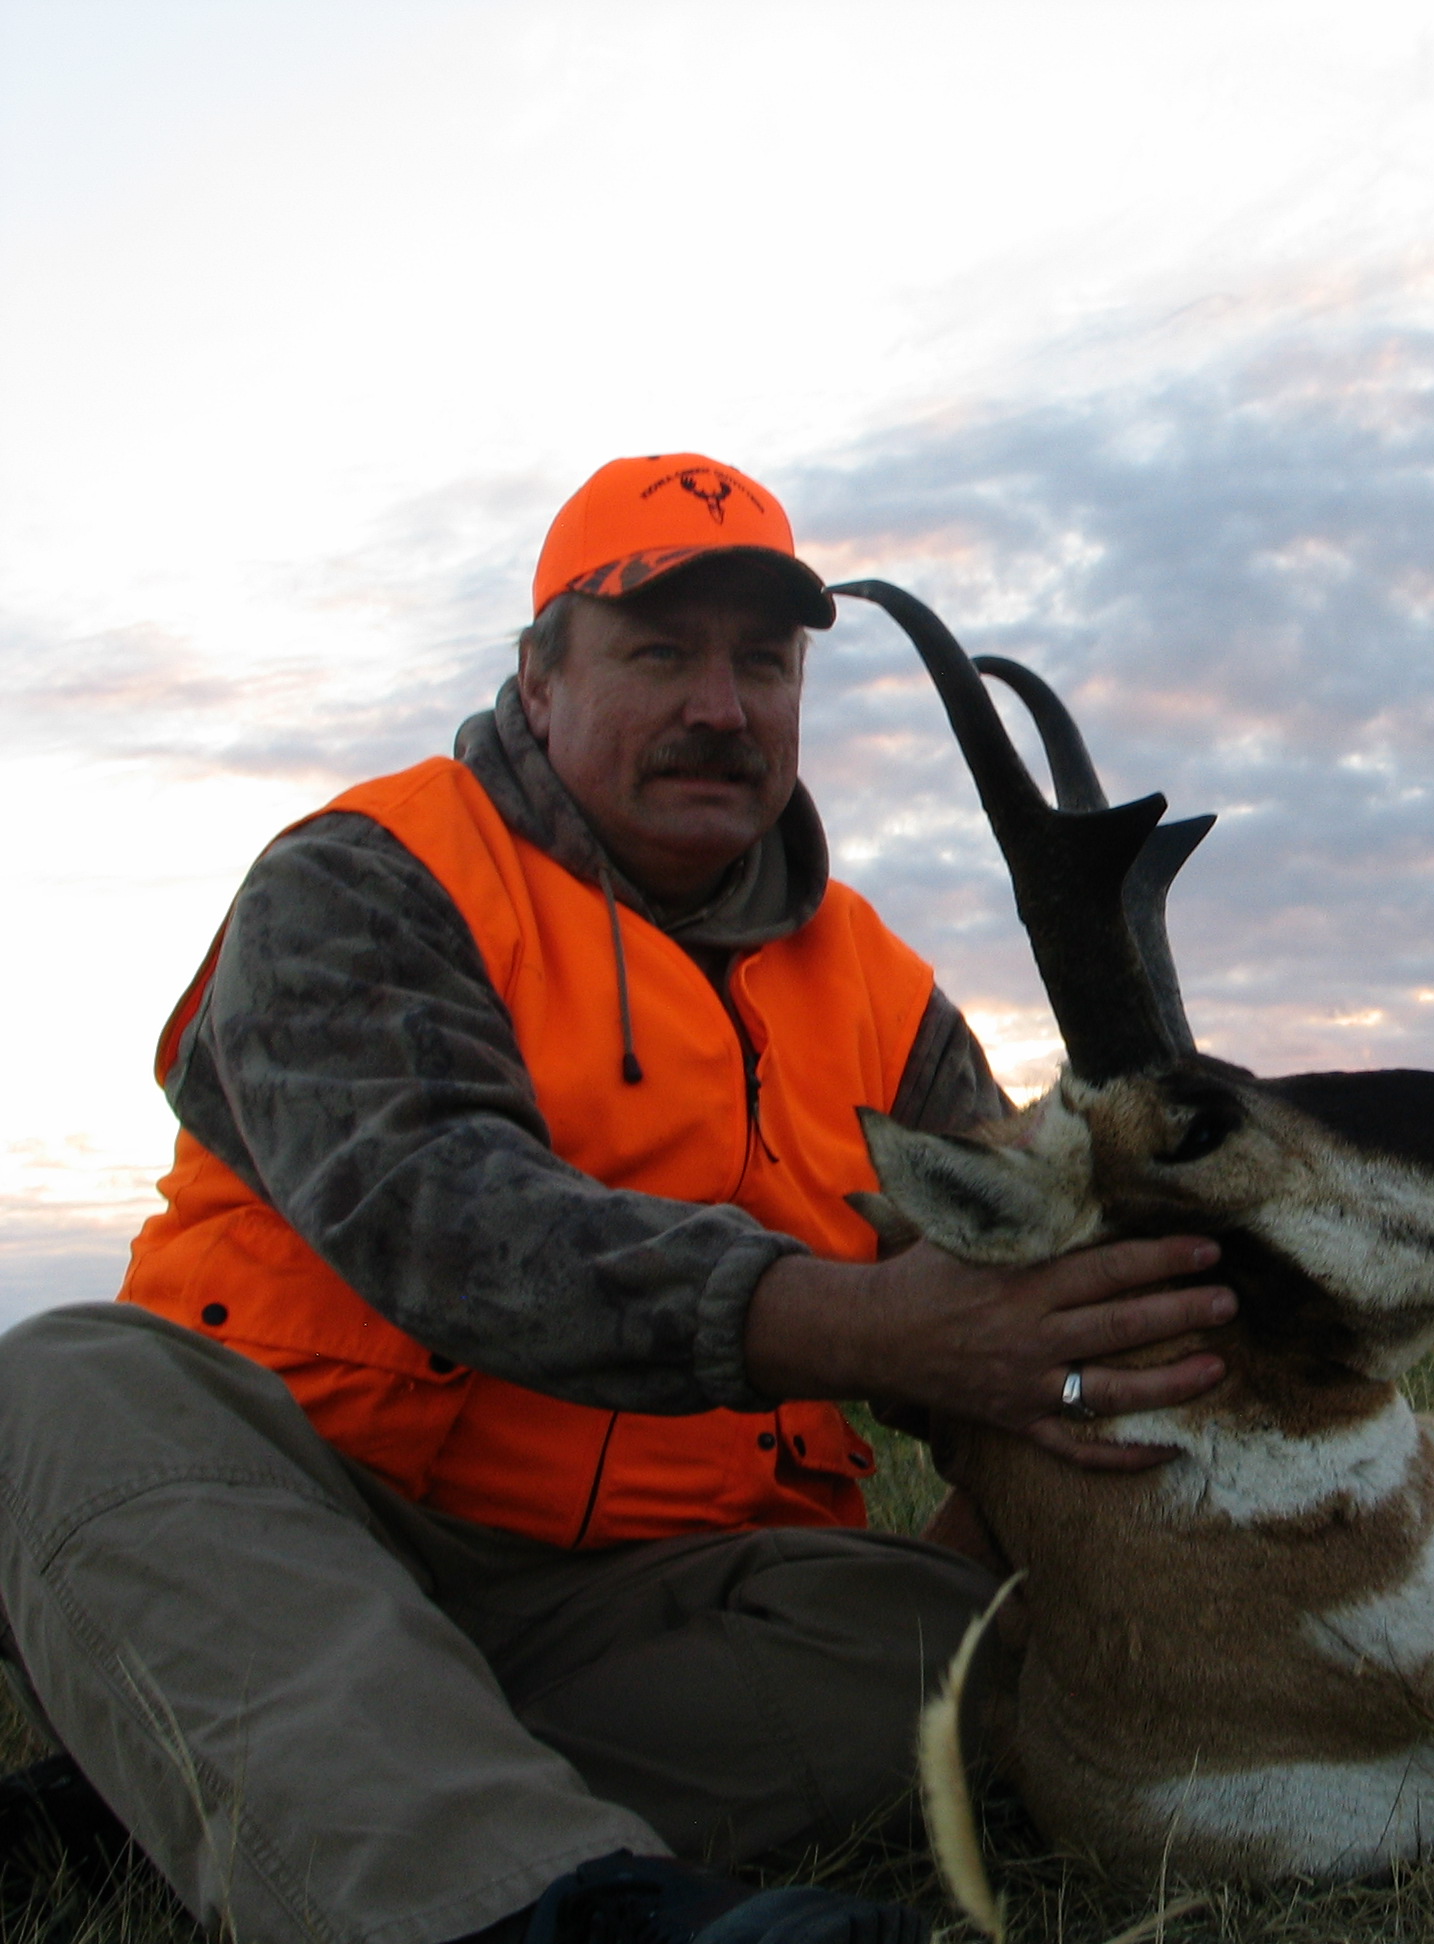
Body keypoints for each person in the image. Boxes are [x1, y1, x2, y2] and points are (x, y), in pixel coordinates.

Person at [0, 455, 1238, 1944]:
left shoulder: (878, 993)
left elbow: (1027, 1293)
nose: (720, 706)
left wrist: (1173, 1353)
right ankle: (559, 1913)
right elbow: (439, 1213)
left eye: (764, 663)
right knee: (64, 1386)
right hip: (323, 1532)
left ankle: (230, 1790)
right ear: (538, 684)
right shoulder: (372, 877)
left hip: (665, 1606)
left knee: (1015, 1650)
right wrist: (853, 1325)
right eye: (659, 652)